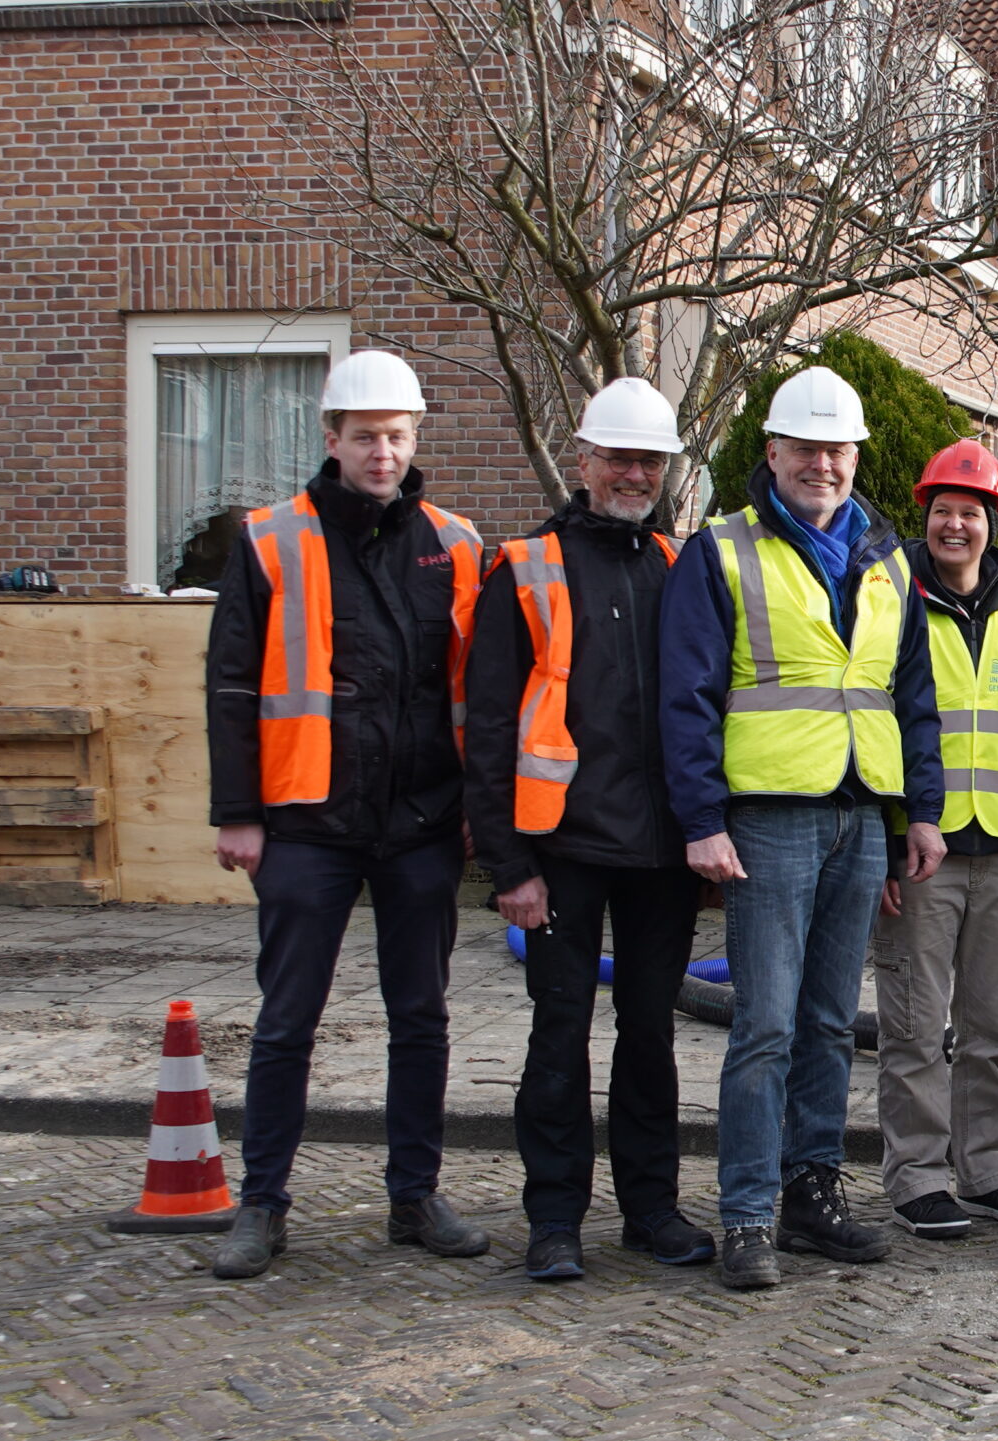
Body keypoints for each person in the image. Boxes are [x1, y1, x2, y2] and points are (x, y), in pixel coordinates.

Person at [202, 350, 488, 1280]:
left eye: (396, 437)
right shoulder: (270, 538)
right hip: (304, 822)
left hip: (419, 822)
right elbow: (234, 685)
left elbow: (478, 690)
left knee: (423, 1015)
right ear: (331, 439)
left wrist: (475, 812)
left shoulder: (456, 543)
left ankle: (415, 1196)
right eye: (365, 437)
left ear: (414, 441)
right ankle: (262, 1203)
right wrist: (237, 812)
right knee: (287, 1019)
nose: (381, 453)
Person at [660, 365, 945, 1290]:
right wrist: (702, 820)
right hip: (771, 819)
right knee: (766, 1025)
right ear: (772, 452)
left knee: (827, 1023)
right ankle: (746, 1211)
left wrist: (921, 813)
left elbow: (913, 699)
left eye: (838, 449)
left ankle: (811, 1194)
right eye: (807, 448)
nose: (823, 463)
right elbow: (687, 698)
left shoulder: (887, 559)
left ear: (856, 457)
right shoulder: (723, 551)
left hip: (860, 815)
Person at [463, 378, 709, 1282]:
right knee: (558, 1034)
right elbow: (487, 729)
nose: (634, 473)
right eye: (619, 457)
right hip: (561, 852)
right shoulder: (524, 567)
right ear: (585, 462)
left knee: (649, 1034)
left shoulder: (684, 568)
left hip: (662, 855)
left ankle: (652, 1208)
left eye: (650, 460)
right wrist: (508, 866)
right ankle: (555, 1218)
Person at [876, 440, 998, 1239]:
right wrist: (891, 840)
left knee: (995, 1024)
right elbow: (878, 725)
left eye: (972, 512)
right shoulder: (891, 605)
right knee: (917, 1025)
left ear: (995, 522)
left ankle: (991, 1166)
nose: (955, 524)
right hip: (925, 852)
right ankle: (917, 1176)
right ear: (923, 518)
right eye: (942, 511)